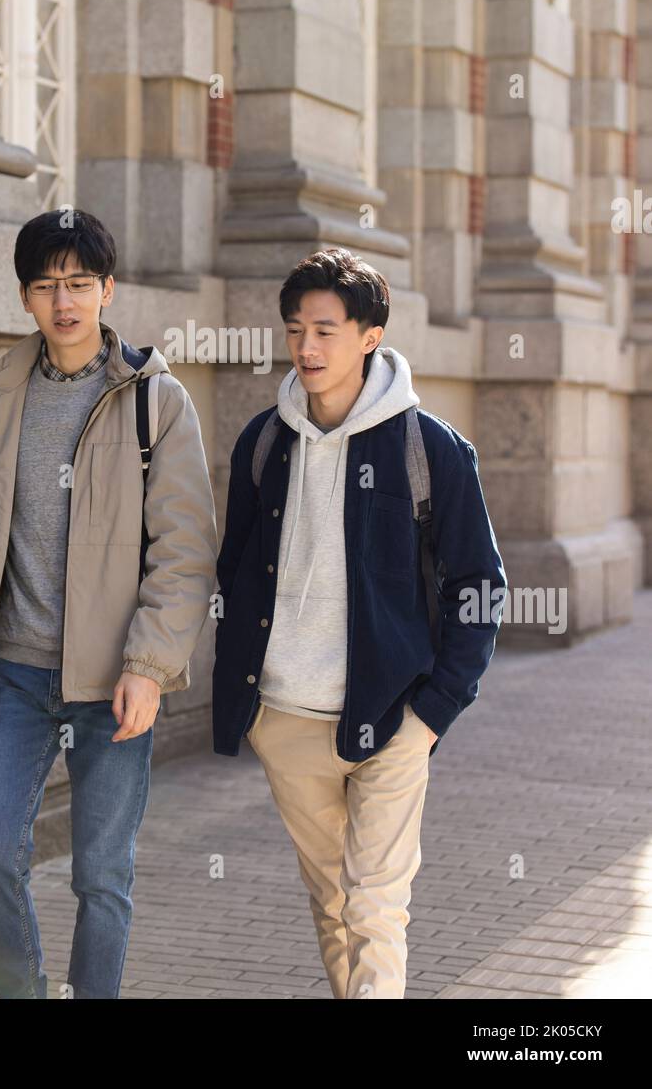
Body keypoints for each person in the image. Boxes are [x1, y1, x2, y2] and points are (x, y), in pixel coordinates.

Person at [212, 246, 507, 999]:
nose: (305, 348)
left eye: (324, 330)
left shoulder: (427, 448)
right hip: (285, 718)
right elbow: (236, 569)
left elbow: (477, 582)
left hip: (394, 714)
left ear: (369, 335)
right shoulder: (264, 442)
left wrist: (435, 710)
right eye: (293, 331)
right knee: (334, 904)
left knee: (376, 904)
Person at [0, 206, 217, 998]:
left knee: (102, 876)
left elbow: (184, 550)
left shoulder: (153, 401)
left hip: (112, 681)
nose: (63, 302)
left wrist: (148, 666)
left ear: (108, 288)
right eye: (45, 286)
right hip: (15, 676)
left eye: (78, 283)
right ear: (25, 297)